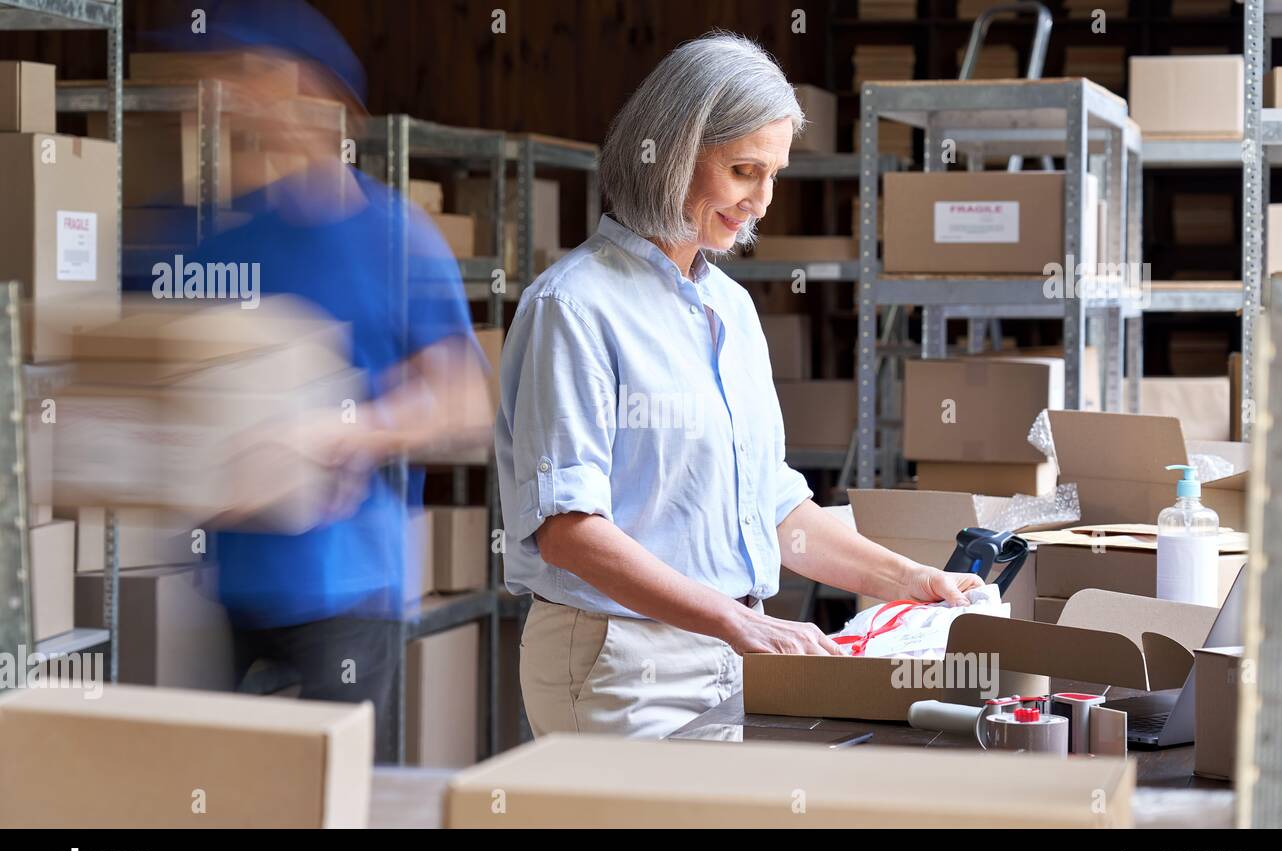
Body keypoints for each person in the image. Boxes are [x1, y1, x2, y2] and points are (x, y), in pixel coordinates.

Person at [495, 32, 982, 741]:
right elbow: (569, 531)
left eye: (774, 174)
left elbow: (773, 506)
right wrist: (738, 620)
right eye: (744, 170)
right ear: (667, 153)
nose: (762, 201)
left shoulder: (729, 308)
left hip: (730, 649)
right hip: (622, 662)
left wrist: (907, 580)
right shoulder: (572, 308)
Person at [145, 1, 492, 758]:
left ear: (323, 96)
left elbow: (464, 397)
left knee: (337, 796)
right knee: (222, 793)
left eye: (256, 76)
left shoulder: (392, 237)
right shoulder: (219, 241)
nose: (235, 97)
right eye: (227, 79)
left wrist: (345, 431)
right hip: (228, 583)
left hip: (347, 590)